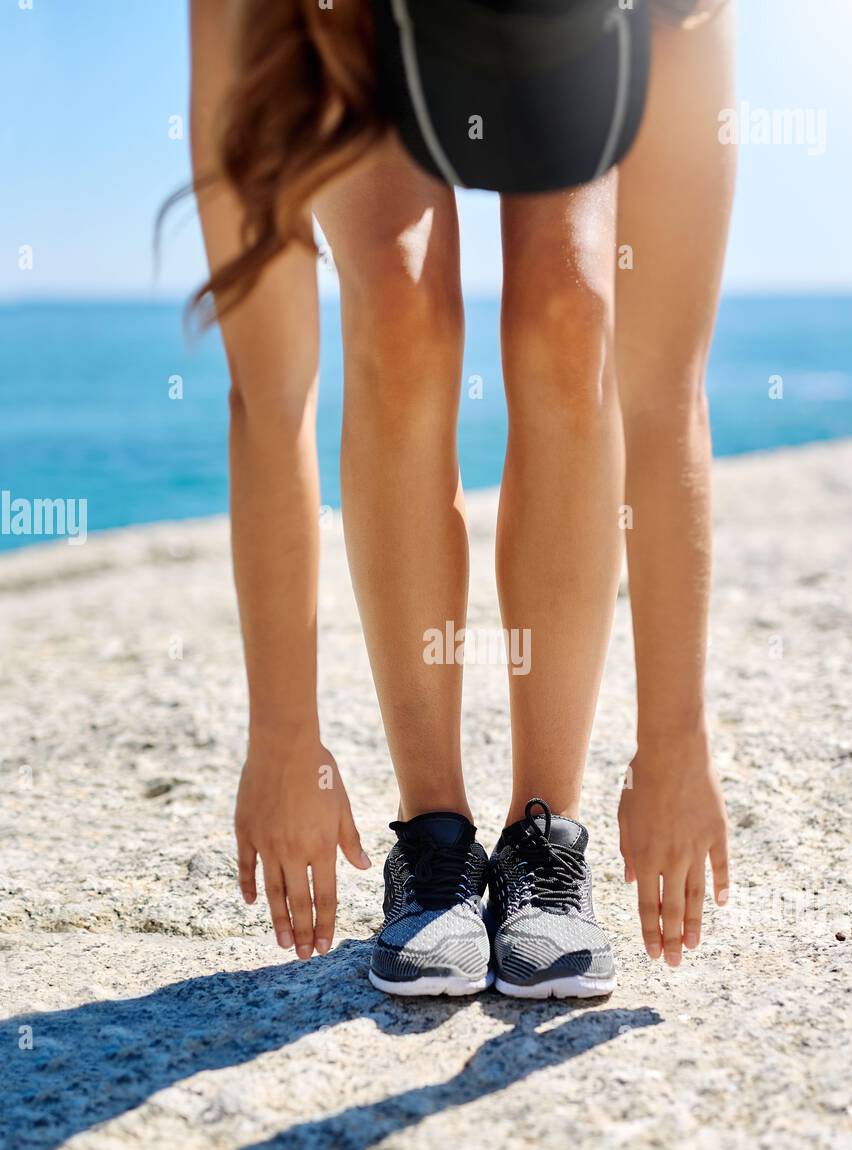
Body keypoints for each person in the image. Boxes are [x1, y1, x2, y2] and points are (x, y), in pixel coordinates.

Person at [185, 0, 734, 998]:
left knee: (572, 310)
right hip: (361, 32)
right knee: (398, 308)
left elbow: (662, 397)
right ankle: (432, 832)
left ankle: (541, 838)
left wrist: (673, 745)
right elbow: (270, 396)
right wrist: (281, 739)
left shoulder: (668, 21)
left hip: (572, 41)